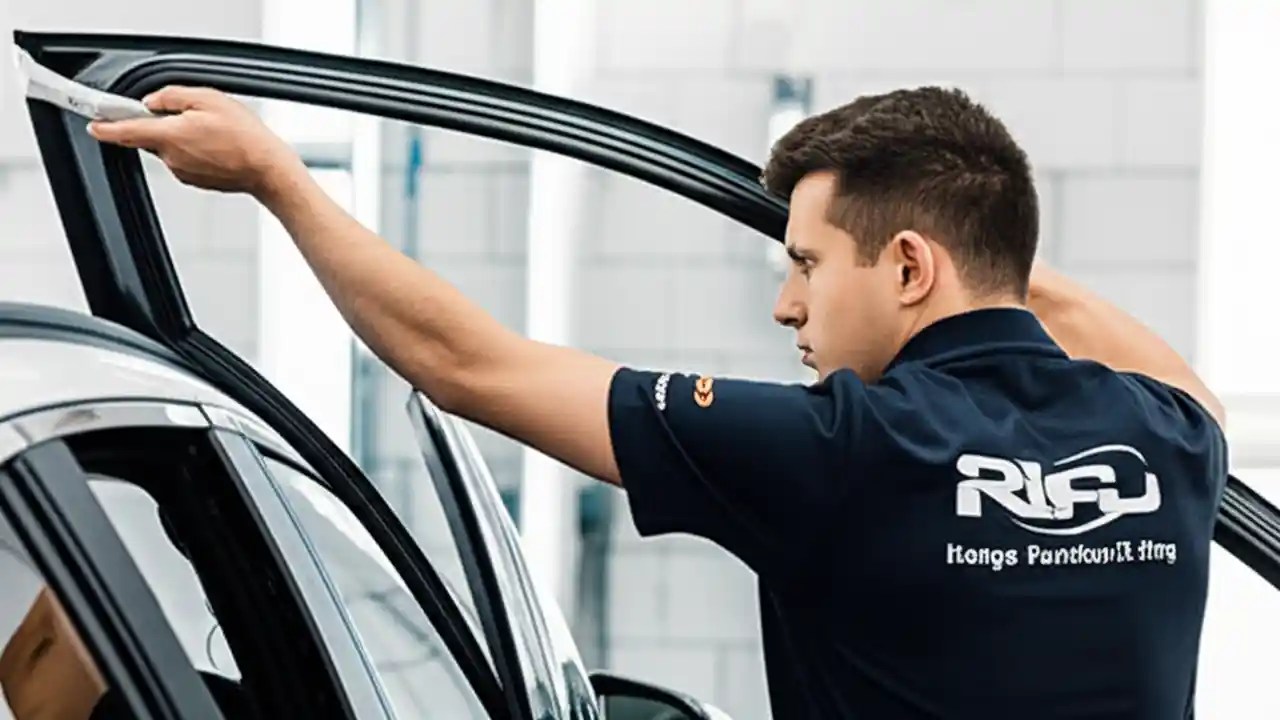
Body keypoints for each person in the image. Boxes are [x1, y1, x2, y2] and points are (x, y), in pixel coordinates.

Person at [89, 84, 1227, 719]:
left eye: (805, 263)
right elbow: (1074, 320)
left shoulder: (840, 450)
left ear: (911, 269)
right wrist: (969, 244)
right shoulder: (1172, 441)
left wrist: (280, 181)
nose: (787, 307)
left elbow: (466, 365)